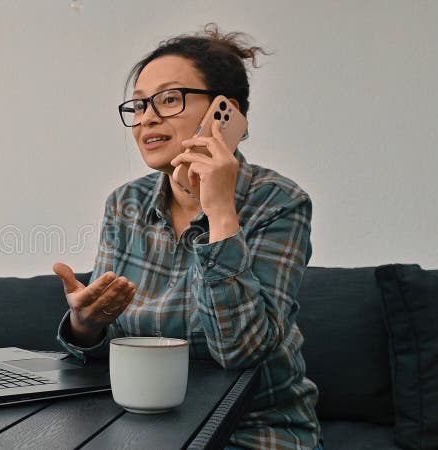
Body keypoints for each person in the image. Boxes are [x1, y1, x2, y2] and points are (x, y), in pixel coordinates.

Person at [52, 24, 323, 450]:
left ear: (225, 111)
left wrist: (218, 211)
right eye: (139, 105)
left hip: (252, 433)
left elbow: (240, 351)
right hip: (142, 427)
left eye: (169, 99)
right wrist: (86, 325)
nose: (148, 118)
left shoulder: (280, 202)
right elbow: (111, 346)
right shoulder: (125, 204)